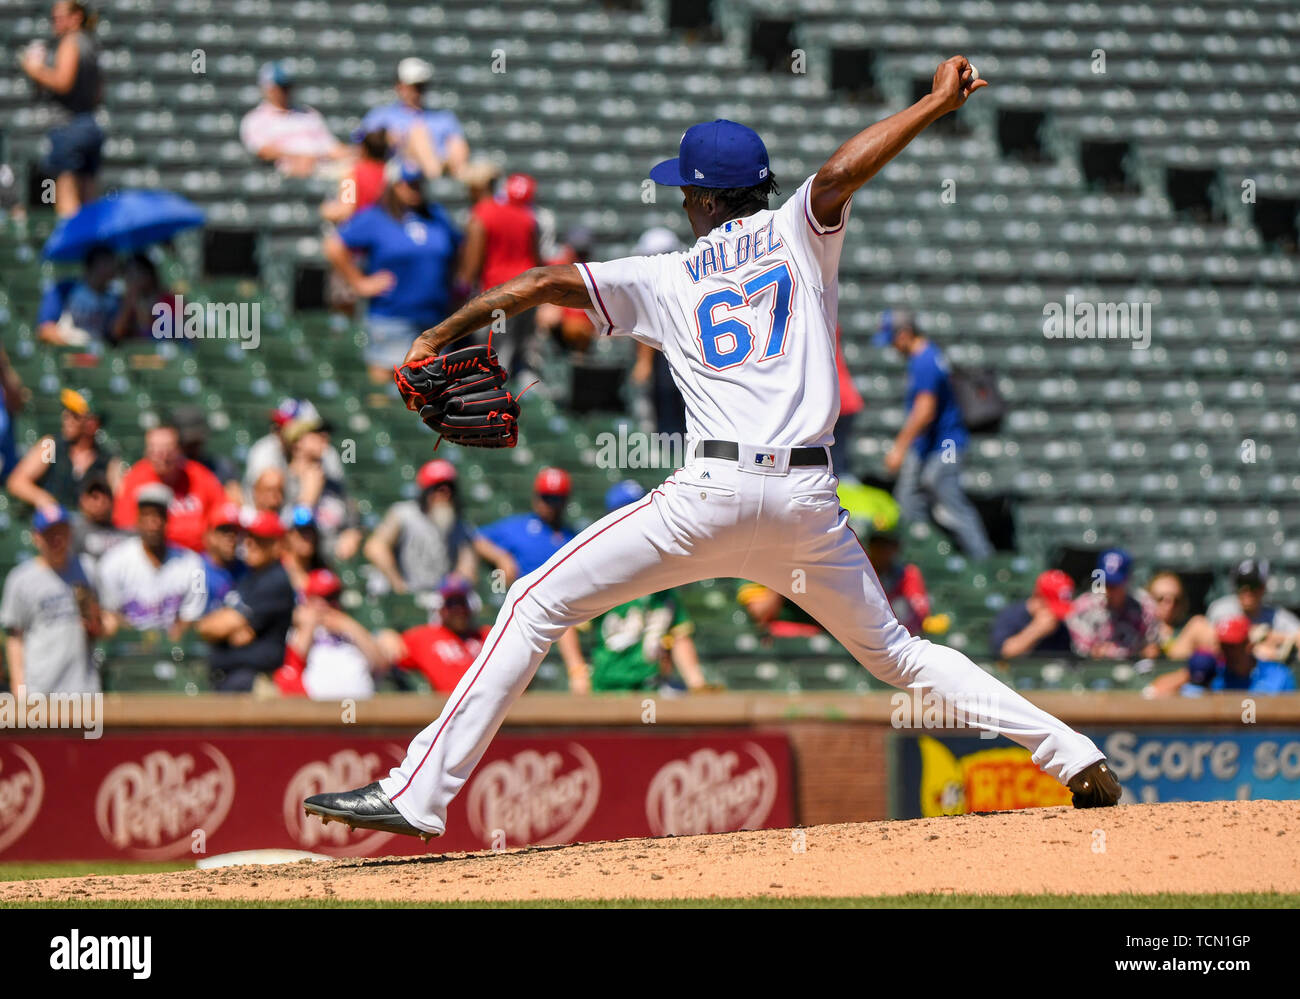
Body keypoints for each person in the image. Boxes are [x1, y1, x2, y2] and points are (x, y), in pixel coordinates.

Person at [306, 60, 1121, 841]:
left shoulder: (666, 274)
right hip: (808, 503)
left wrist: (439, 332)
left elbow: (542, 283)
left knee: (532, 603)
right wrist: (934, 105)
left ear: (697, 198)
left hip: (712, 494)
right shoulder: (798, 232)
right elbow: (839, 172)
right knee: (901, 655)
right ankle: (1073, 753)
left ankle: (418, 794)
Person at [324, 162, 462, 383]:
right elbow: (334, 245)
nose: (413, 189)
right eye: (407, 184)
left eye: (418, 183)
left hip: (435, 320)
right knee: (387, 390)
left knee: (433, 391)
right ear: (393, 185)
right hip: (391, 319)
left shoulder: (436, 216)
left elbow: (458, 248)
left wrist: (457, 285)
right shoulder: (376, 217)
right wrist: (359, 283)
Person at [570, 481, 705, 694]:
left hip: (652, 689)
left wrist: (696, 681)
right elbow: (568, 625)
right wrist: (577, 671)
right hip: (608, 688)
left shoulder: (664, 580)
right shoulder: (601, 574)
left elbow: (679, 635)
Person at [879, 309, 993, 559]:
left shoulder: (925, 359)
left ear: (905, 334)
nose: (892, 347)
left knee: (945, 497)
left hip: (946, 444)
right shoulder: (927, 356)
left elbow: (925, 411)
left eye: (892, 339)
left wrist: (899, 448)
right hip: (933, 445)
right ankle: (922, 558)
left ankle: (983, 560)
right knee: (909, 498)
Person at [364, 459, 515, 595]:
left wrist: (459, 581)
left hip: (441, 599)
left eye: (449, 488)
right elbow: (375, 547)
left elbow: (467, 566)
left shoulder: (459, 524)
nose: (444, 493)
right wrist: (398, 583)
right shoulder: (404, 513)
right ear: (425, 491)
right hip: (407, 594)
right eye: (437, 488)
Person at [0, 506, 100, 693]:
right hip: (40, 689)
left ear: (70, 532)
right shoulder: (20, 580)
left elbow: (107, 625)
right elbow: (14, 637)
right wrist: (19, 686)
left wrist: (97, 622)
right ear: (36, 537)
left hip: (83, 689)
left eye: (61, 532)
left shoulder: (87, 569)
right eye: (50, 534)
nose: (57, 539)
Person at [197, 511, 297, 692]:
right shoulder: (250, 576)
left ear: (277, 545)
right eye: (248, 536)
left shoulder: (275, 580)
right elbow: (219, 627)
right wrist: (229, 629)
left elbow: (218, 627)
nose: (249, 543)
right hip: (233, 677)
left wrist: (227, 628)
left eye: (260, 539)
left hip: (257, 681)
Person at [20, 1, 103, 217]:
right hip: (90, 125)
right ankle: (90, 248)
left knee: (66, 199)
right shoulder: (91, 44)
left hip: (68, 127)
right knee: (88, 199)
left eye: (58, 17)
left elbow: (63, 81)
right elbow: (98, 94)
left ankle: (73, 249)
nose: (54, 23)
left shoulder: (71, 41)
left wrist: (34, 70)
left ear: (75, 17)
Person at [456, 165, 541, 374]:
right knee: (518, 353)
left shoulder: (482, 214)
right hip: (528, 294)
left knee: (494, 357)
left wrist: (460, 292)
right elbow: (536, 255)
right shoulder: (525, 215)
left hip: (499, 299)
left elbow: (472, 265)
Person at [97, 484, 207, 638]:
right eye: (147, 515)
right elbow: (109, 613)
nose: (153, 524)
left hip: (175, 650)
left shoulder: (194, 565)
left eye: (158, 516)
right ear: (138, 519)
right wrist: (142, 639)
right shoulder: (113, 562)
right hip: (127, 647)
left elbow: (192, 615)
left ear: (167, 520)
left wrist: (169, 640)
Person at [275, 569, 388, 700]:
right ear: (308, 599)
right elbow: (293, 666)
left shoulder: (351, 627)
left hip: (356, 710)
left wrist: (349, 626)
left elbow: (381, 664)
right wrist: (309, 626)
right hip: (317, 711)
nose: (327, 604)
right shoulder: (298, 631)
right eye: (320, 597)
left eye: (332, 597)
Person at [113, 422, 227, 552]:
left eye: (167, 449)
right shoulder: (135, 478)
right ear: (147, 451)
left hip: (197, 557)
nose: (162, 456)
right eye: (155, 450)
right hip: (150, 556)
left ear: (179, 450)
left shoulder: (199, 476)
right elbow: (125, 526)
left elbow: (221, 517)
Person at [6, 387, 121, 511]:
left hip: (88, 527)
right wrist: (43, 499)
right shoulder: (51, 446)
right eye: (66, 411)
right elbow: (17, 482)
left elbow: (119, 498)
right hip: (52, 524)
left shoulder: (107, 460)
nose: (66, 418)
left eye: (74, 415)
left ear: (92, 424)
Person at [357, 58, 469, 180]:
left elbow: (458, 150)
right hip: (398, 173)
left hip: (442, 166)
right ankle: (435, 178)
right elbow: (361, 145)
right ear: (399, 86)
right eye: (413, 86)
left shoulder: (443, 118)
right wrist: (387, 138)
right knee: (418, 134)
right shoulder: (381, 116)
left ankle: (438, 178)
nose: (417, 92)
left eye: (421, 86)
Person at [379, 575, 490, 693]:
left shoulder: (486, 635)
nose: (458, 609)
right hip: (444, 705)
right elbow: (390, 650)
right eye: (451, 603)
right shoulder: (423, 636)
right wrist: (385, 635)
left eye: (462, 603)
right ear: (440, 608)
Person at [628, 227, 688, 438]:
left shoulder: (671, 286)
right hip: (666, 363)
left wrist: (643, 362)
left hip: (671, 366)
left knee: (671, 411)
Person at [239, 61, 346, 177]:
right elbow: (262, 151)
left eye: (287, 86)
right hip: (284, 175)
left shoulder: (308, 114)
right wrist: (298, 157)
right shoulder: (255, 119)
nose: (284, 91)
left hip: (323, 169)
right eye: (280, 87)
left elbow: (332, 147)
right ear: (267, 88)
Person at [1148, 616, 1297, 697]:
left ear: (1248, 646)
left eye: (1232, 646)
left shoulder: (1277, 674)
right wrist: (1189, 674)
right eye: (1223, 645)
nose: (1226, 652)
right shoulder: (1213, 673)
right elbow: (1153, 692)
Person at [281, 414, 361, 561]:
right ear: (297, 441)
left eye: (326, 434)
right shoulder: (282, 481)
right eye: (316, 433)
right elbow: (282, 527)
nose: (325, 437)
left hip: (332, 566)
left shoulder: (334, 485)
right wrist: (308, 499)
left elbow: (354, 521)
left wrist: (352, 534)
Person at [1065, 549, 1161, 660]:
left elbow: (1152, 648)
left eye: (1114, 584)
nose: (1108, 588)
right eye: (1105, 582)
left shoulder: (1144, 606)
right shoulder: (1083, 607)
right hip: (1096, 671)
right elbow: (1083, 652)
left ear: (1127, 581)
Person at [243, 398, 346, 497]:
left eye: (284, 426)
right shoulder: (265, 450)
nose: (276, 430)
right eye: (277, 425)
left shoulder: (327, 454)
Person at [35, 245, 119, 346]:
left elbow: (116, 335)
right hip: (66, 352)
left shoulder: (114, 298)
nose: (110, 268)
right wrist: (73, 347)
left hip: (99, 355)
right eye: (105, 263)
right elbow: (45, 330)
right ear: (92, 266)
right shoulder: (64, 289)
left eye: (111, 263)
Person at [990, 569, 1076, 661]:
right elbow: (1004, 654)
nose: (1056, 615)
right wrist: (1037, 630)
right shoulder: (1010, 615)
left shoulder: (1061, 625)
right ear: (1038, 598)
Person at [171, 404, 241, 499]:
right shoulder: (167, 471)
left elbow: (234, 503)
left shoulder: (222, 468)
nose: (193, 447)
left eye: (196, 442)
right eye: (189, 443)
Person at [68, 473, 128, 582]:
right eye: (94, 497)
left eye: (105, 496)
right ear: (83, 501)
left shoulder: (128, 534)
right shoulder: (72, 532)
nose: (100, 502)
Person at [321, 129, 389, 224]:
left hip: (360, 229)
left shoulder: (352, 174)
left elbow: (345, 211)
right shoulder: (389, 172)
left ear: (364, 149)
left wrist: (326, 211)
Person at [111, 253, 178, 344]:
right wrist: (129, 306)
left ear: (150, 274)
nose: (134, 279)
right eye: (129, 275)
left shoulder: (168, 300)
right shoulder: (122, 302)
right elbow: (116, 334)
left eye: (138, 273)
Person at [201, 503, 247, 613]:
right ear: (210, 535)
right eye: (225, 530)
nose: (231, 537)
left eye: (235, 531)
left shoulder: (245, 569)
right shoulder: (197, 570)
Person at [282, 506, 330, 594]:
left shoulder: (321, 568)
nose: (308, 538)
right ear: (289, 536)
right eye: (302, 533)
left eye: (311, 532)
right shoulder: (279, 569)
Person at [1144, 570, 1189, 658]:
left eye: (1176, 601)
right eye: (1161, 599)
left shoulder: (1190, 628)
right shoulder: (1137, 629)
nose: (1170, 606)